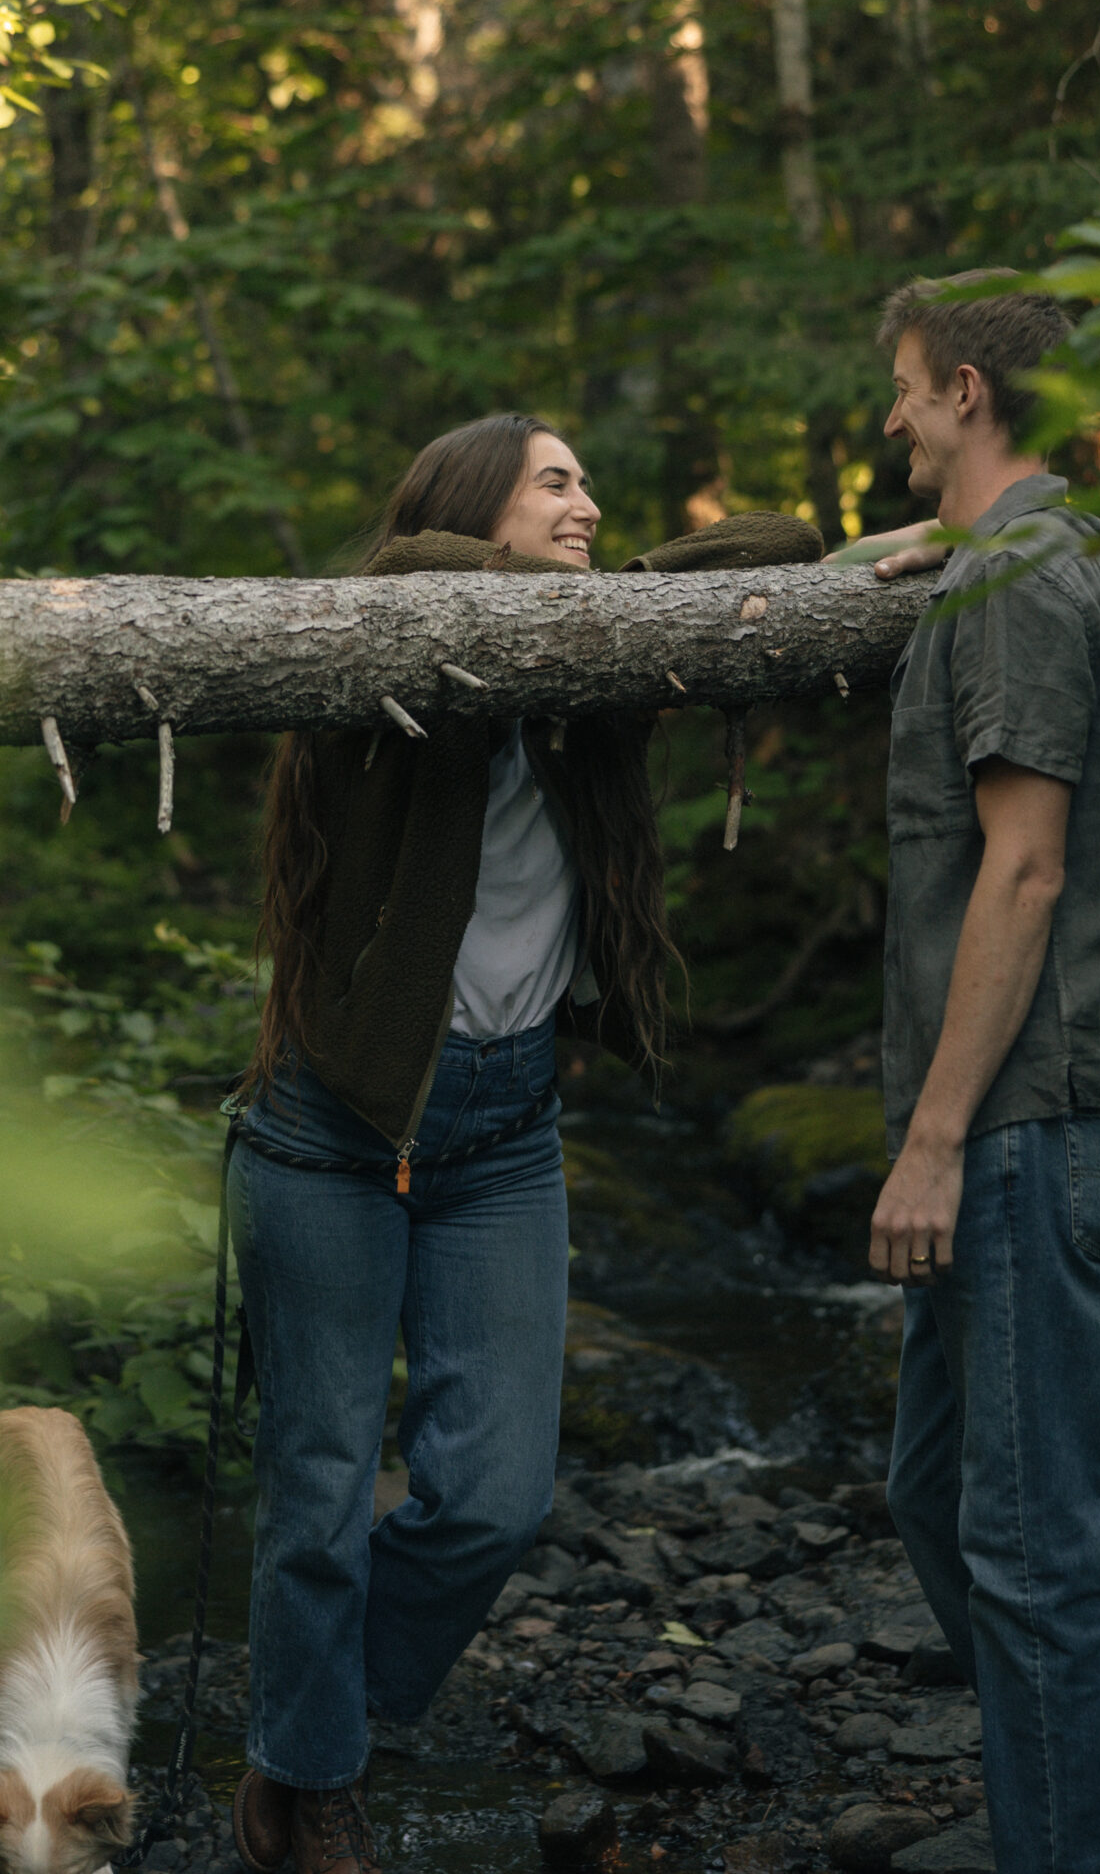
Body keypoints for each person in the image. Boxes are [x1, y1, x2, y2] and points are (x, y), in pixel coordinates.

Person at [224, 412, 823, 1874]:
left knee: (494, 1495)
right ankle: (310, 1793)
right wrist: (520, 577)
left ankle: (314, 1728)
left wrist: (601, 579)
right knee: (315, 1495)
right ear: (476, 508)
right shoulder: (380, 661)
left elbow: (787, 550)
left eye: (585, 486)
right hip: (329, 1134)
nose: (586, 502)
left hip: (503, 1137)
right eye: (554, 484)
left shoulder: (592, 673)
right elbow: (402, 557)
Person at [860, 273, 1100, 1874]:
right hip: (1050, 1110)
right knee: (939, 1497)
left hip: (1020, 1121)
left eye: (900, 391)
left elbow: (1021, 872)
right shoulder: (1067, 553)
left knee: (1019, 1547)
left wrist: (931, 1140)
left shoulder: (1014, 582)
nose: (885, 419)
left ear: (960, 390)